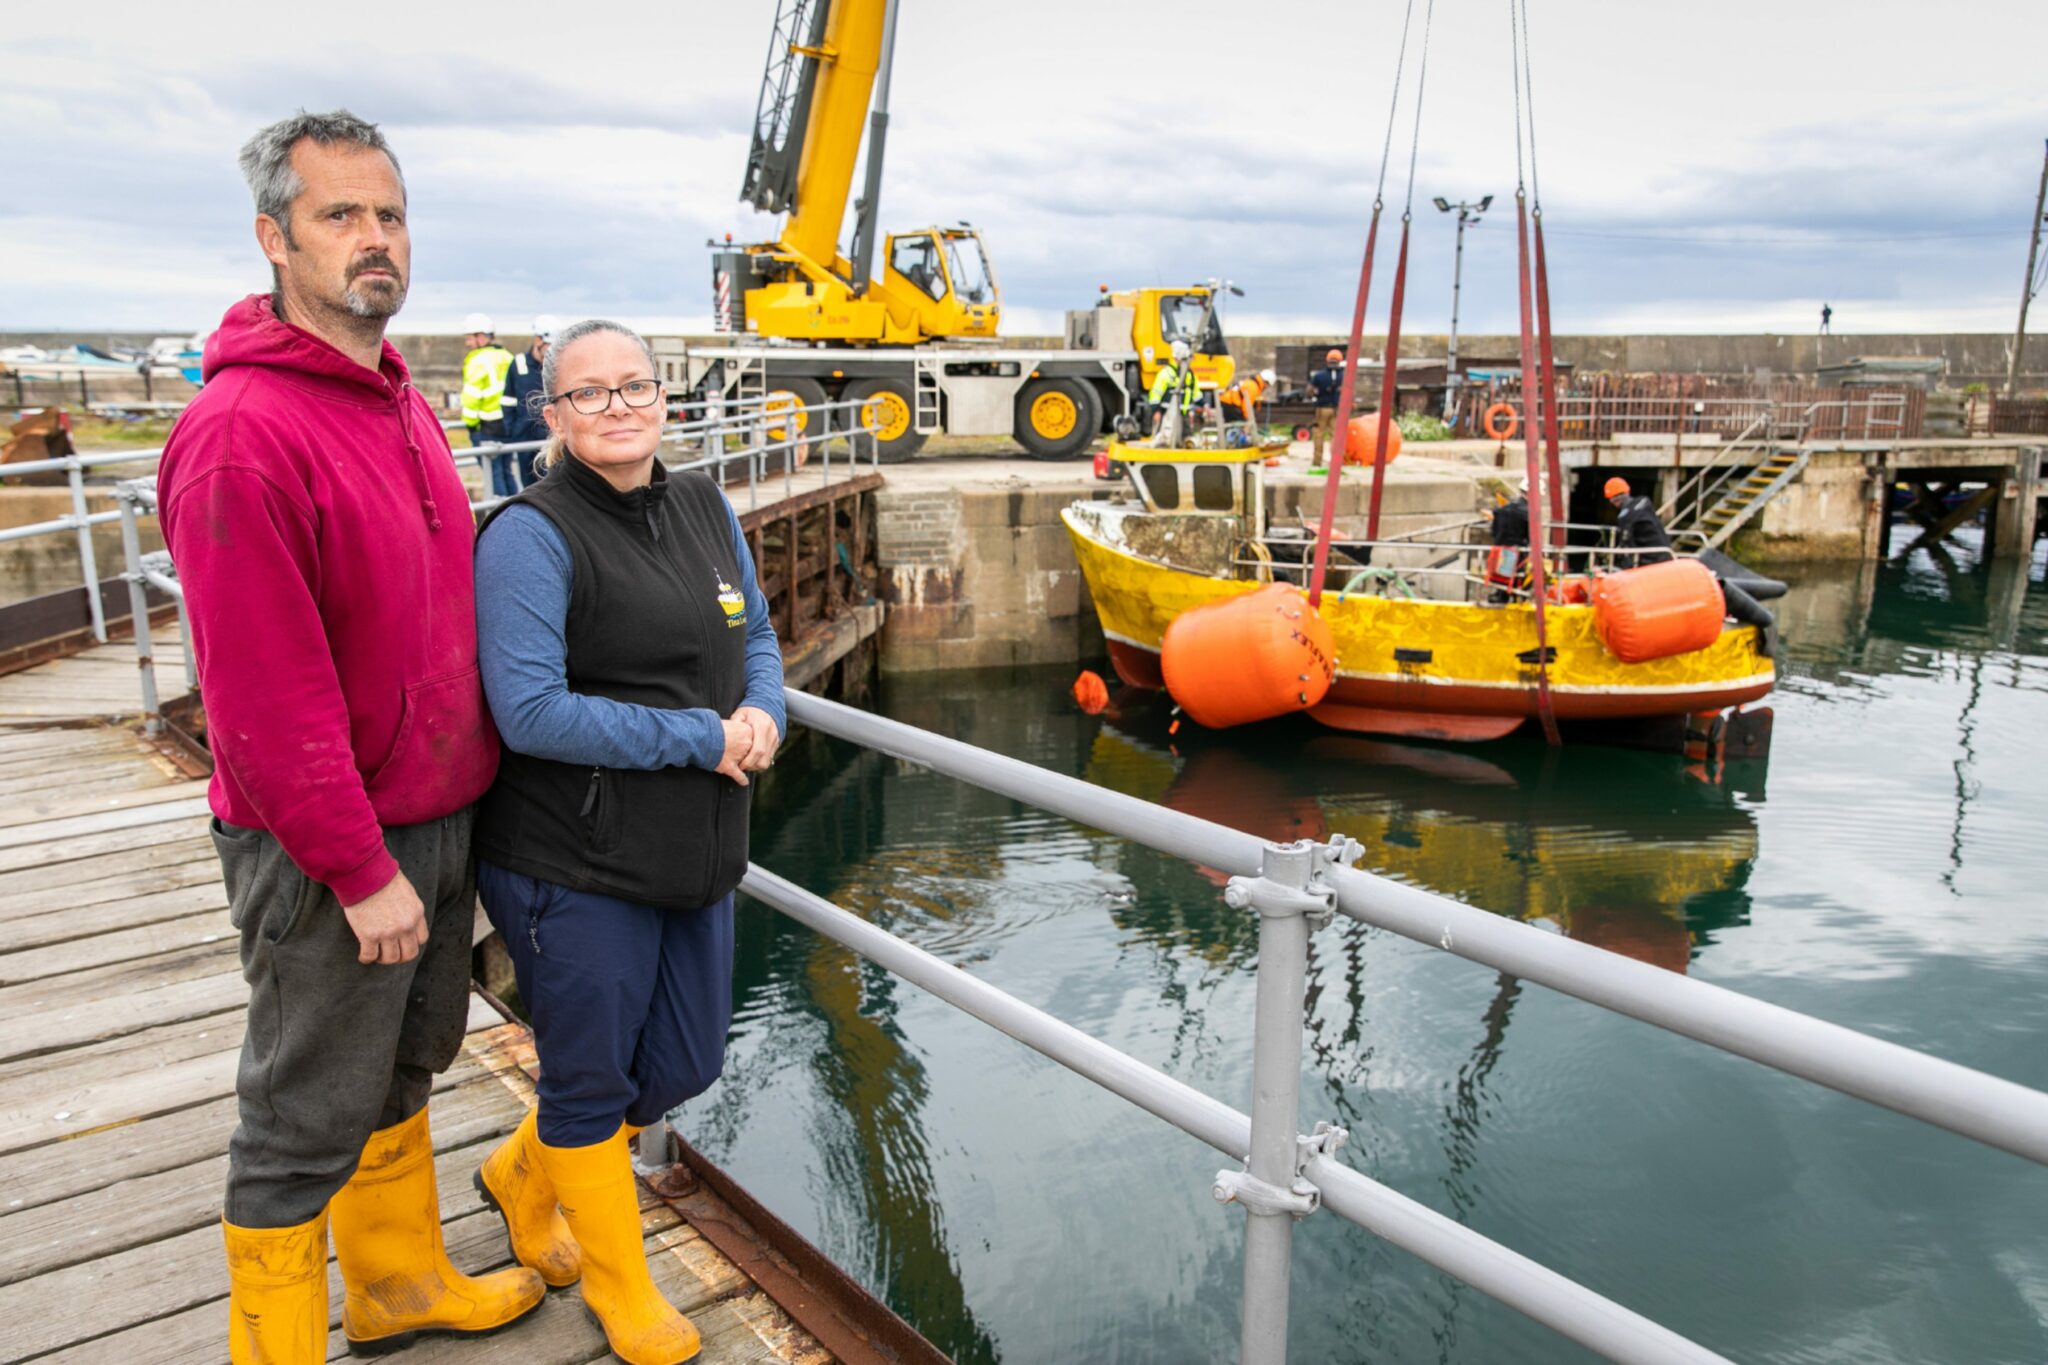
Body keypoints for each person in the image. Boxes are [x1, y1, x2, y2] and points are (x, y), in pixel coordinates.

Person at [157, 109, 544, 1363]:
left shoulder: (394, 399)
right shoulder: (241, 436)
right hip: (335, 847)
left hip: (437, 816)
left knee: (403, 1069)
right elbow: (261, 703)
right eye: (339, 216)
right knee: (301, 1111)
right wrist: (358, 867)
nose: (374, 240)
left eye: (389, 214)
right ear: (275, 238)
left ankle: (396, 1286)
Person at [468, 318, 785, 1365]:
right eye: (588, 393)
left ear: (665, 398)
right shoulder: (529, 532)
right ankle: (619, 1289)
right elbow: (529, 712)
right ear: (551, 416)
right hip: (574, 858)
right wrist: (703, 736)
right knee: (592, 1078)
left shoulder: (700, 501)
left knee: (683, 1060)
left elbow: (755, 634)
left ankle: (527, 1168)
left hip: (691, 846)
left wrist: (768, 713)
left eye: (634, 386)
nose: (617, 407)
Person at [501, 314, 558, 489]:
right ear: (538, 340)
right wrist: (512, 431)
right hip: (523, 437)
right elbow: (508, 399)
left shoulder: (557, 365)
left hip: (550, 438)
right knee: (529, 487)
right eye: (547, 347)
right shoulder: (518, 363)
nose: (549, 353)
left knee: (552, 484)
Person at [461, 312, 515, 457]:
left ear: (481, 337)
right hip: (507, 423)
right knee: (506, 471)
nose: (468, 343)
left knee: (493, 473)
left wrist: (471, 425)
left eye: (470, 338)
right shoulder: (508, 356)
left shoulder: (477, 361)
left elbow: (471, 398)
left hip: (486, 426)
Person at [1605, 476, 1675, 564]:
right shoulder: (1645, 502)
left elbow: (1627, 545)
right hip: (1667, 552)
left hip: (1652, 560)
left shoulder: (1624, 517)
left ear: (1613, 500)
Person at [1146, 339, 1199, 437]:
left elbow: (1196, 395)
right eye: (1185, 359)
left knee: (1185, 442)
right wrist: (1156, 411)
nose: (1189, 362)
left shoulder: (1190, 375)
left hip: (1184, 416)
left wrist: (1204, 406)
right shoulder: (1165, 374)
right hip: (1167, 416)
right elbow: (1155, 395)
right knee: (1164, 441)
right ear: (1177, 358)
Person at [1308, 347, 1345, 463]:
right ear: (1340, 360)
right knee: (1335, 435)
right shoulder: (1344, 376)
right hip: (1337, 409)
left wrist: (1316, 393)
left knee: (1319, 434)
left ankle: (1317, 461)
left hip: (1322, 408)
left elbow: (1309, 391)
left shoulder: (1319, 375)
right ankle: (1336, 462)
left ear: (1327, 360)